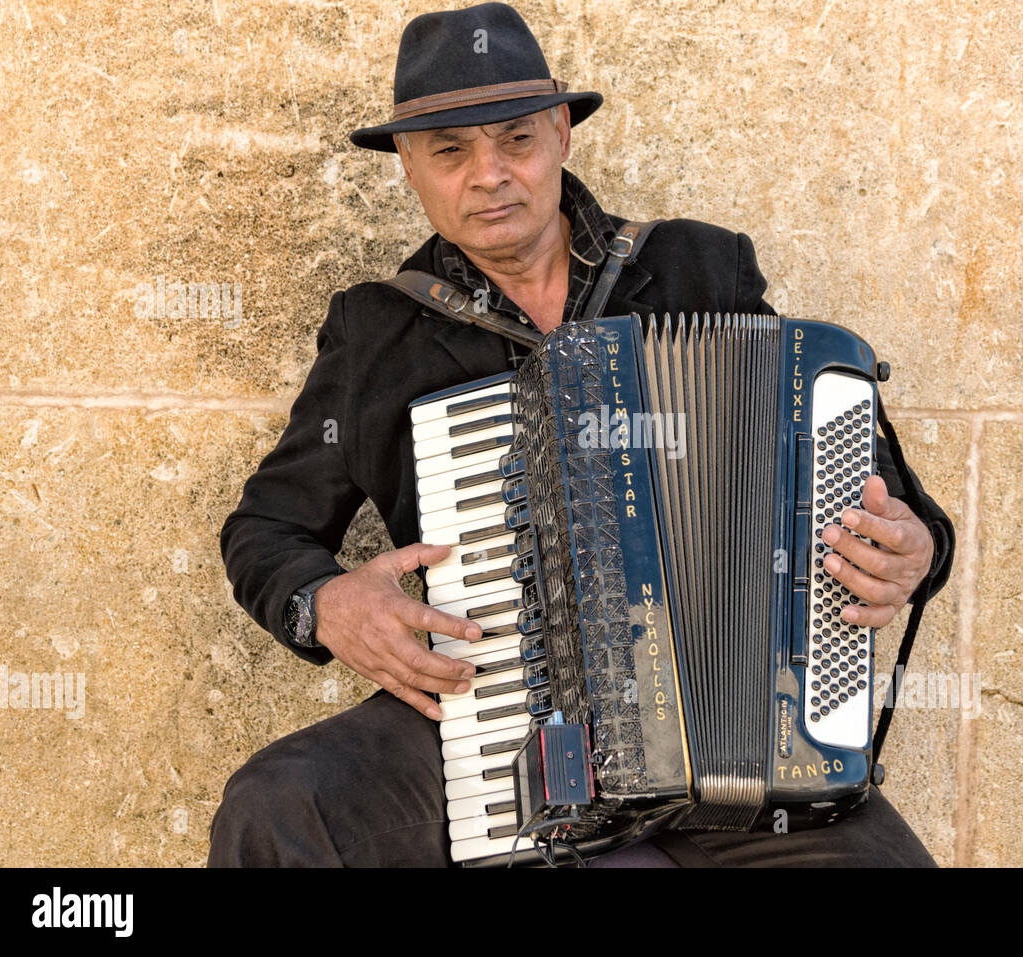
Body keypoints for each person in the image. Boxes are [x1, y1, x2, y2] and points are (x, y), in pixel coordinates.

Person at [211, 1, 955, 867]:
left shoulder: (695, 271)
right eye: (450, 151)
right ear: (408, 166)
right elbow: (265, 529)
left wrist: (909, 550)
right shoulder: (379, 334)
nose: (489, 175)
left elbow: (901, 509)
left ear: (561, 133)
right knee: (275, 806)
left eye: (516, 139)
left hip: (745, 744)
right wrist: (328, 605)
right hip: (489, 722)